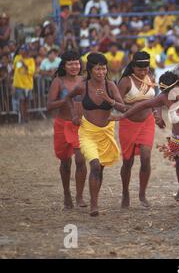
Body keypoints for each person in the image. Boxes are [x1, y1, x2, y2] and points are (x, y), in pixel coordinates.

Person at [110, 61, 179, 230]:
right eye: (167, 92)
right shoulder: (164, 96)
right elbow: (144, 105)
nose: (171, 95)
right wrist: (123, 116)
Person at [65, 53, 126, 216]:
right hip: (88, 132)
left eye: (104, 68)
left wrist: (109, 99)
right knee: (95, 165)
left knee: (100, 169)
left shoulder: (111, 85)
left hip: (106, 132)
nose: (101, 72)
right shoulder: (82, 86)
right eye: (98, 69)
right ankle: (94, 206)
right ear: (90, 70)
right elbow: (68, 99)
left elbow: (123, 107)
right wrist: (74, 114)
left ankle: (94, 199)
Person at [47, 51, 87, 210]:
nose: (74, 66)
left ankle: (79, 196)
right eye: (70, 63)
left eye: (76, 63)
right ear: (64, 66)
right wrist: (68, 97)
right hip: (63, 124)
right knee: (65, 162)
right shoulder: (58, 81)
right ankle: (67, 194)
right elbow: (49, 106)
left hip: (81, 125)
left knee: (80, 159)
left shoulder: (85, 80)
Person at [117, 51, 158, 208]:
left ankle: (142, 193)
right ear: (133, 67)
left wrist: (157, 114)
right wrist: (132, 108)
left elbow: (155, 101)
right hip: (128, 124)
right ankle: (125, 192)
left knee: (146, 157)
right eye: (139, 69)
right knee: (128, 162)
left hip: (147, 122)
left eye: (145, 68)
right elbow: (118, 104)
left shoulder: (151, 78)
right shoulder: (126, 82)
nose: (143, 71)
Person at [12, 45, 35, 123]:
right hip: (19, 84)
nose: (21, 51)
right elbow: (15, 67)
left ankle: (26, 117)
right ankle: (22, 119)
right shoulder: (17, 58)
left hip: (28, 85)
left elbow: (32, 71)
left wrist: (24, 64)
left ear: (26, 51)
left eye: (23, 50)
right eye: (20, 49)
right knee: (21, 101)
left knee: (27, 102)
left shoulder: (31, 60)